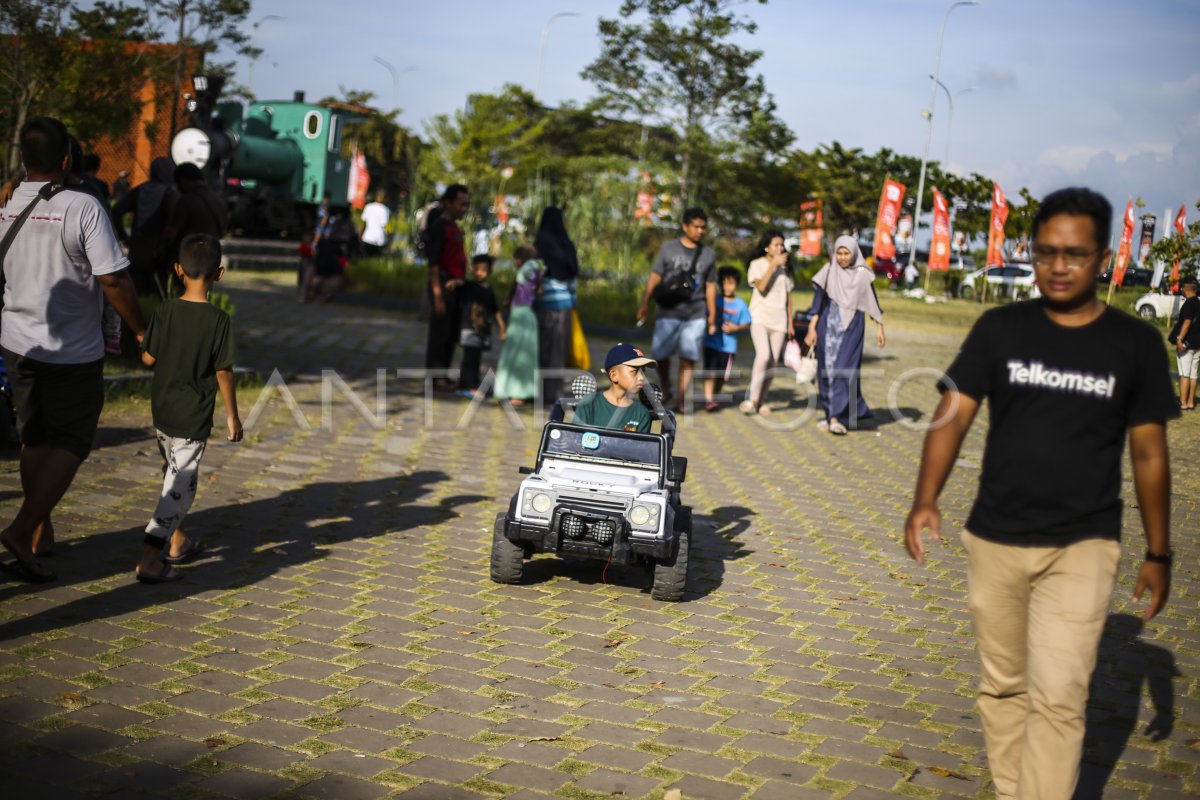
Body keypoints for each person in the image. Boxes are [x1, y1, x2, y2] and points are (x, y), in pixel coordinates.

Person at [905, 187, 1174, 800]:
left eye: (1075, 254)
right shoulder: (1002, 328)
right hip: (995, 538)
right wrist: (925, 498)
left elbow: (1151, 452)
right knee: (1003, 686)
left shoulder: (1133, 345)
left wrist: (1159, 552)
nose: (1058, 266)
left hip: (1084, 543)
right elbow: (953, 412)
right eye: (1047, 251)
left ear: (1103, 258)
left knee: (1059, 694)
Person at [0, 117, 146, 582]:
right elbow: (113, 279)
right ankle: (23, 529)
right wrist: (141, 330)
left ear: (24, 158)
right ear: (65, 160)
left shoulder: (4, 201)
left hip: (16, 341)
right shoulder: (82, 207)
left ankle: (40, 529)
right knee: (72, 441)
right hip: (72, 350)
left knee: (35, 435)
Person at [136, 234, 241, 583]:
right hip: (192, 417)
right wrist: (232, 415)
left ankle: (178, 543)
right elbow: (223, 371)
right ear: (220, 273)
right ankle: (151, 557)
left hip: (162, 412)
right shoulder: (219, 321)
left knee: (172, 476)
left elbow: (148, 358)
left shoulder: (165, 310)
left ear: (178, 269)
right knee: (181, 488)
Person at [637, 208, 718, 412]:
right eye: (696, 226)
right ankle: (666, 387)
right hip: (668, 310)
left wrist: (712, 316)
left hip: (696, 312)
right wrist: (645, 302)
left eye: (703, 227)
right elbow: (656, 276)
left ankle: (682, 399)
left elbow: (710, 285)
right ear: (685, 226)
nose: (700, 231)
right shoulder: (669, 248)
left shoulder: (708, 255)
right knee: (661, 355)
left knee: (688, 356)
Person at [804, 235, 885, 435]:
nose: (842, 257)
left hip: (852, 328)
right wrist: (812, 328)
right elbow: (818, 301)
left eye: (846, 253)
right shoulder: (829, 270)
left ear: (854, 252)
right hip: (828, 326)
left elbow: (872, 301)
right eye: (839, 253)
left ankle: (836, 417)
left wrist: (880, 327)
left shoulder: (863, 274)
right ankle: (831, 413)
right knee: (827, 371)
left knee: (843, 370)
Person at [740, 230, 794, 416]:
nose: (780, 248)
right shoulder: (757, 265)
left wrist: (791, 323)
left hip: (780, 321)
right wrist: (773, 265)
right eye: (776, 245)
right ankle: (752, 399)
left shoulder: (786, 268)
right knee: (763, 355)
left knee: (772, 362)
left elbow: (788, 297)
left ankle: (761, 400)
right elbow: (761, 288)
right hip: (760, 317)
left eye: (782, 245)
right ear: (766, 247)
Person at [111, 156, 178, 295]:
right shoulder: (170, 193)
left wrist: (124, 237)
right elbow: (173, 223)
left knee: (137, 294)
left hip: (137, 250)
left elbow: (117, 210)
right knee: (159, 294)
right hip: (158, 253)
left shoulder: (141, 190)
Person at [425, 184, 469, 390]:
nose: (464, 209)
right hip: (442, 285)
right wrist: (437, 294)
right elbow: (433, 264)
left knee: (451, 333)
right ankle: (436, 377)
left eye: (466, 205)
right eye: (461, 204)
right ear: (448, 203)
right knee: (439, 334)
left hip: (456, 287)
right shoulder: (439, 227)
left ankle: (444, 374)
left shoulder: (455, 227)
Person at [532, 206, 579, 403]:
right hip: (565, 304)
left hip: (546, 304)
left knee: (544, 349)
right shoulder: (567, 244)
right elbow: (574, 273)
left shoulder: (541, 243)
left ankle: (542, 391)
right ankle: (554, 392)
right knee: (558, 351)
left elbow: (534, 274)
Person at [494, 244, 542, 406]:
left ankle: (520, 392)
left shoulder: (529, 271)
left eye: (516, 259)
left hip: (523, 317)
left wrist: (530, 260)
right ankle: (507, 390)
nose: (515, 262)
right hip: (518, 316)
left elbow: (530, 270)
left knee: (521, 357)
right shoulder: (529, 273)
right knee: (512, 355)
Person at [574, 343, 655, 433]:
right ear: (613, 375)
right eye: (634, 371)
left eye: (643, 371)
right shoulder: (589, 403)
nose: (641, 377)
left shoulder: (641, 413)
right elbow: (575, 440)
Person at [703, 266, 752, 413]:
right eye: (724, 283)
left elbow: (747, 323)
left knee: (721, 376)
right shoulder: (714, 300)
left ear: (737, 284)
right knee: (709, 372)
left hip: (729, 347)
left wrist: (735, 328)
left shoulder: (740, 304)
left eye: (731, 283)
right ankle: (709, 400)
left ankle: (715, 395)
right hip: (711, 343)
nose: (727, 287)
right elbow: (706, 315)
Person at [457, 254, 506, 398]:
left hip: (482, 331)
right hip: (469, 328)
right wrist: (454, 282)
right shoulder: (468, 286)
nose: (480, 273)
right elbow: (459, 285)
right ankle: (468, 385)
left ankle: (471, 383)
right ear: (473, 269)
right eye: (477, 269)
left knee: (476, 358)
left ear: (489, 272)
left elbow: (495, 309)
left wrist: (502, 327)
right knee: (469, 358)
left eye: (483, 270)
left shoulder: (488, 290)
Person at [164, 162, 227, 265]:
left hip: (188, 260)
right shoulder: (219, 201)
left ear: (182, 181)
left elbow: (172, 233)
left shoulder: (187, 200)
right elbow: (223, 233)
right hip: (210, 259)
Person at [304, 208, 355, 303]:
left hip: (326, 272)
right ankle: (318, 295)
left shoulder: (325, 243)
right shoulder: (338, 244)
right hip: (329, 272)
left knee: (313, 273)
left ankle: (312, 294)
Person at [1169, 278, 1199, 410]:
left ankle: (1183, 403)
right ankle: (1191, 402)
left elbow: (1187, 322)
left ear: (1186, 289)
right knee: (1193, 374)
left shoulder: (1188, 304)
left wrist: (1180, 339)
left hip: (1187, 344)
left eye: (1181, 288)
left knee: (1184, 374)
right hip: (1198, 343)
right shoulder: (1198, 303)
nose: (1180, 290)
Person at [360, 190, 391, 257]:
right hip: (379, 240)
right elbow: (386, 226)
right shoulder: (385, 210)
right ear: (385, 198)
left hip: (367, 238)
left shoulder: (368, 207)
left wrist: (359, 236)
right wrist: (390, 235)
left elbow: (363, 224)